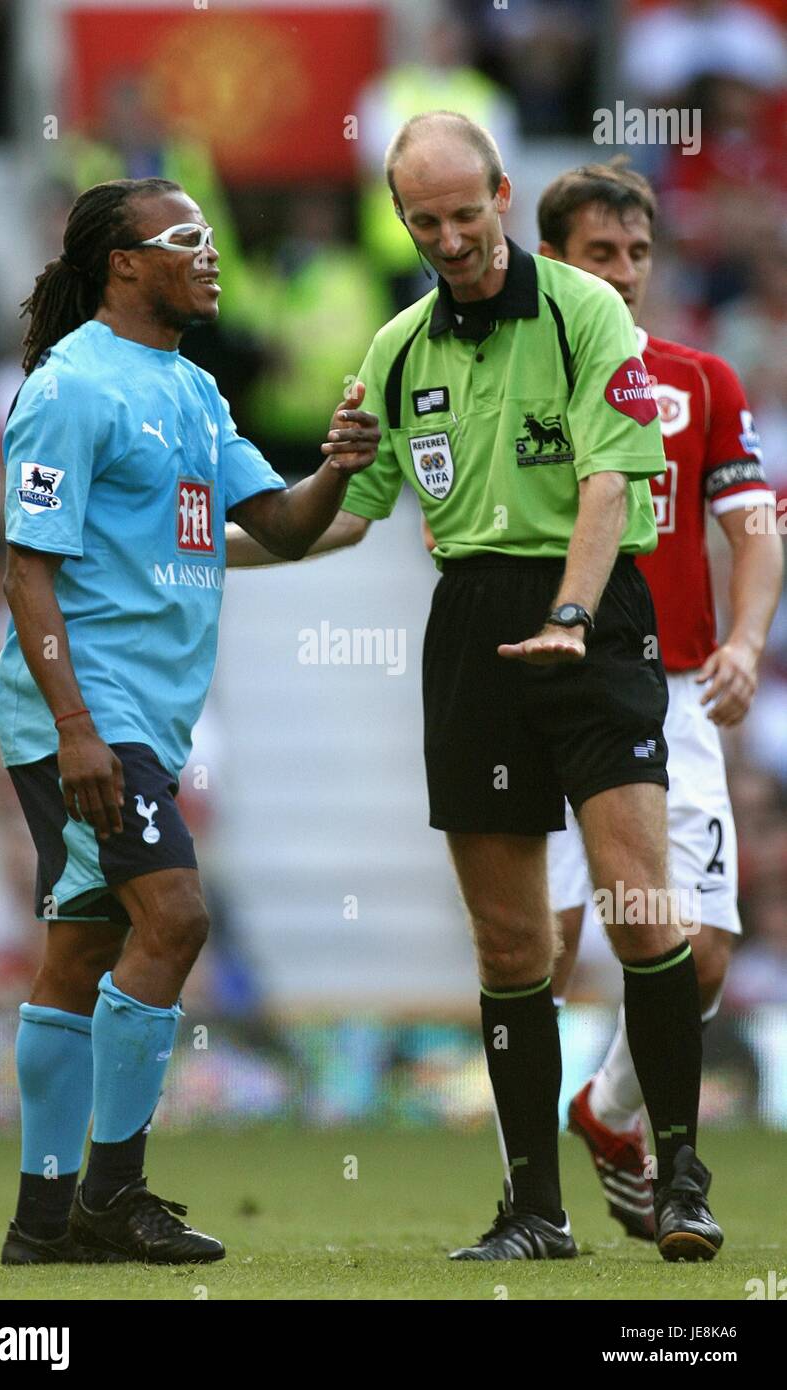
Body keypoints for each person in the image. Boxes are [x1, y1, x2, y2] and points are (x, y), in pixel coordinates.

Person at [226, 111, 723, 1262]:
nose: (448, 236)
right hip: (471, 629)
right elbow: (343, 523)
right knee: (507, 948)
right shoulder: (397, 348)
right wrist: (197, 553)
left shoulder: (586, 310)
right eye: (424, 219)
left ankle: (681, 1177)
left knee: (638, 904)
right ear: (397, 218)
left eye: (464, 212)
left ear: (501, 193)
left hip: (592, 619)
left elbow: (607, 482)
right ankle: (532, 1212)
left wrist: (568, 614)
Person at [0, 176, 379, 1265]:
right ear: (124, 263)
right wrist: (74, 725)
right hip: (83, 707)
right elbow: (26, 569)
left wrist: (339, 466)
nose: (212, 253)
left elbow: (285, 528)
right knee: (174, 918)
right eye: (187, 239)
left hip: (143, 714)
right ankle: (114, 1193)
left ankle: (40, 1221)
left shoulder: (196, 390)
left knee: (86, 947)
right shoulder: (70, 387)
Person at [536, 160, 782, 1239]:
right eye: (601, 254)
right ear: (553, 261)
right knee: (538, 948)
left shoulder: (700, 380)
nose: (626, 274)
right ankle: (523, 1201)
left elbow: (752, 524)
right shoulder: (509, 378)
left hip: (672, 691)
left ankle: (605, 1108)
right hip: (537, 687)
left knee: (702, 955)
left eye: (637, 254)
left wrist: (742, 636)